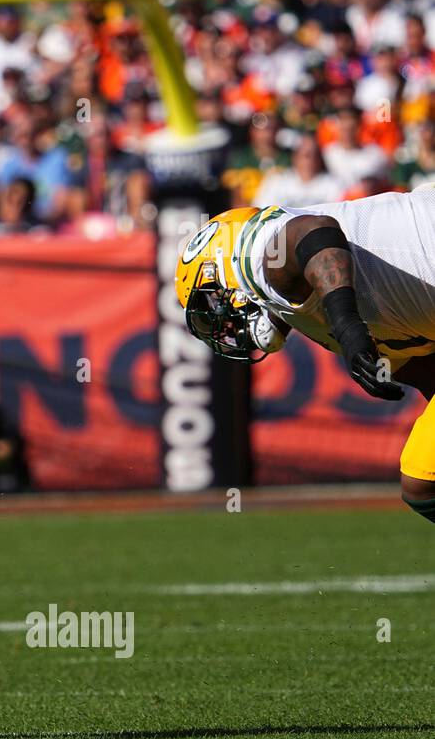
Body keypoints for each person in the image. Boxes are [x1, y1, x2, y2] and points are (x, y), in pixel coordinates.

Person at [173, 190, 435, 523]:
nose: (223, 325)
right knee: (423, 478)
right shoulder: (308, 314)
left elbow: (315, 232)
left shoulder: (253, 255)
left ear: (226, 271)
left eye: (212, 303)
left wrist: (349, 327)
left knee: (423, 480)